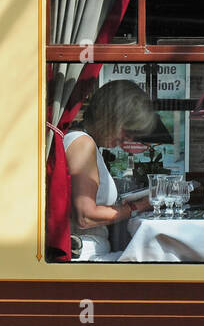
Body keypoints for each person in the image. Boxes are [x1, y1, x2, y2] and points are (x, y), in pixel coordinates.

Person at [63, 80, 158, 260]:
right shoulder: (83, 144)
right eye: (126, 130)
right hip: (86, 255)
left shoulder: (82, 141)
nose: (127, 138)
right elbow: (85, 216)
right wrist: (138, 205)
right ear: (112, 119)